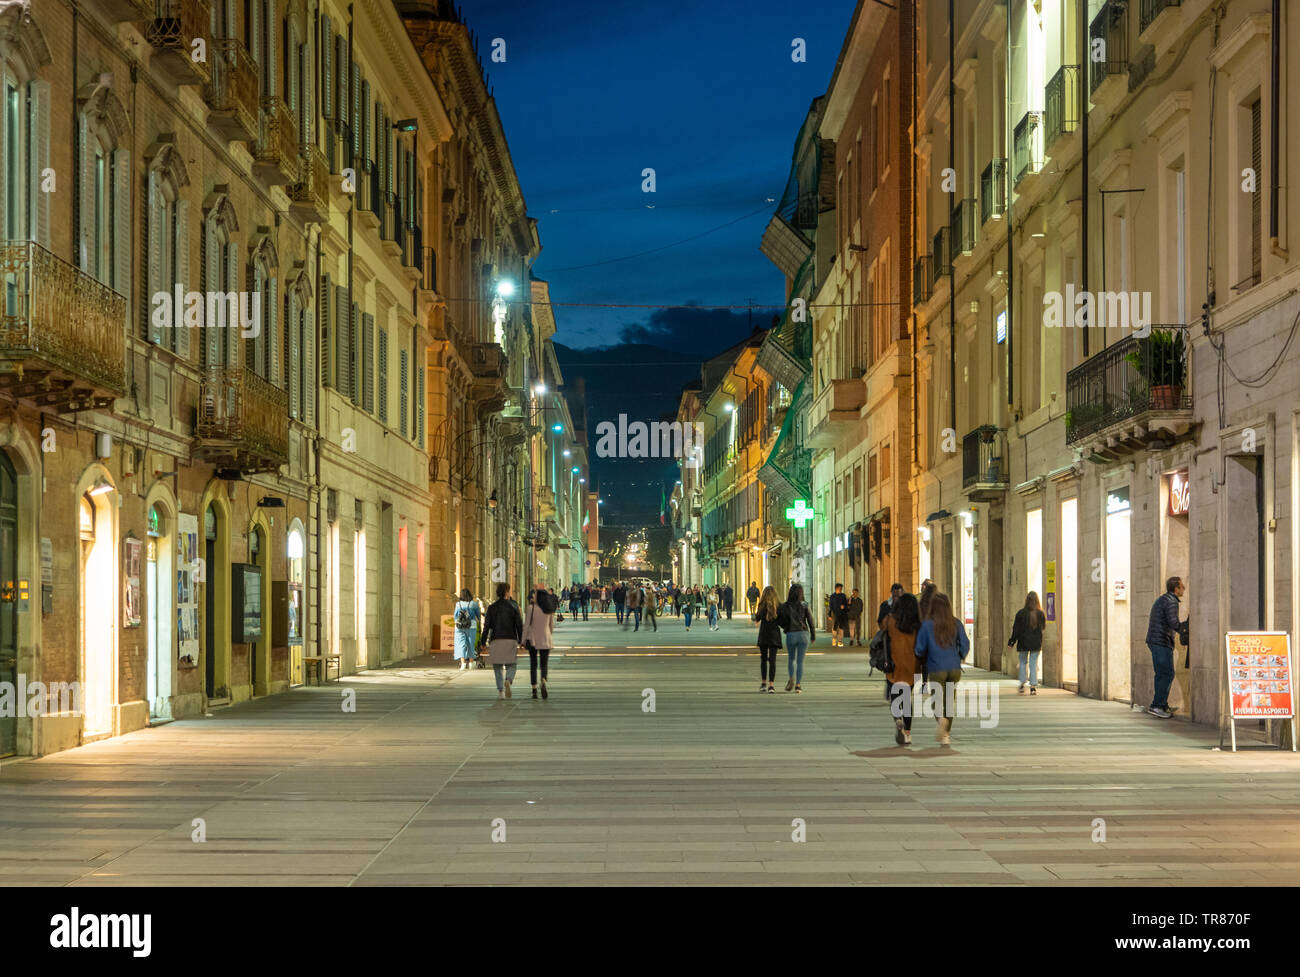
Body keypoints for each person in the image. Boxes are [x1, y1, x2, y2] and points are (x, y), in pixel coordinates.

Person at [914, 592, 970, 745]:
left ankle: (941, 722)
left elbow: (919, 649)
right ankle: (946, 735)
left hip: (936, 667)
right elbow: (965, 644)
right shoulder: (956, 623)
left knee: (936, 702)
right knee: (949, 702)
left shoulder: (927, 625)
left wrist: (924, 655)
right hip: (954, 668)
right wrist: (960, 655)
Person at [1145, 577, 1186, 718]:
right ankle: (1157, 705)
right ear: (1176, 588)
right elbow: (1173, 622)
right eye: (1182, 586)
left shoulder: (1163, 599)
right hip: (1161, 641)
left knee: (1162, 673)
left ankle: (1161, 704)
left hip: (1156, 640)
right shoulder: (1171, 602)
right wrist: (1185, 628)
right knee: (1166, 673)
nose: (1184, 589)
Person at [885, 593, 922, 744]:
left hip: (894, 666)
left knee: (895, 698)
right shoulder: (917, 624)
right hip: (911, 666)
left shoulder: (891, 620)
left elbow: (883, 633)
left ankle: (898, 719)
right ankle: (907, 733)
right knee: (906, 699)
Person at [480, 582, 524, 699]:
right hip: (510, 638)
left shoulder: (491, 607)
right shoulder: (513, 606)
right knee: (511, 664)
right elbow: (519, 625)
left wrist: (483, 642)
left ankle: (500, 692)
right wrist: (522, 640)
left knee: (497, 667)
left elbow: (486, 626)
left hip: (496, 639)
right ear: (506, 592)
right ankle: (508, 680)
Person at [778, 583, 816, 691]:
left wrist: (785, 628)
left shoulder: (785, 605)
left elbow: (781, 620)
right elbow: (810, 621)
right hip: (803, 634)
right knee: (800, 661)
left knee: (791, 659)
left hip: (791, 634)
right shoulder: (805, 605)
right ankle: (798, 685)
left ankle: (791, 679)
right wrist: (813, 635)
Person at [1008, 591, 1047, 695]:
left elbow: (1015, 629)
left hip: (1023, 642)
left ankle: (1022, 683)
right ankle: (1033, 686)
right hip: (1035, 643)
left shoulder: (1021, 613)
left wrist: (1012, 641)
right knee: (1033, 664)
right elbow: (1043, 628)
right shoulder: (1041, 614)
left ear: (1026, 600)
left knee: (1022, 662)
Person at [523, 584, 556, 699]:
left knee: (533, 664)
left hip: (533, 640)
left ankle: (534, 689)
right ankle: (543, 678)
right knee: (544, 664)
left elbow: (526, 625)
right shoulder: (549, 609)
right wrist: (548, 634)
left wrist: (523, 640)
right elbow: (551, 626)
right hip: (545, 639)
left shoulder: (531, 608)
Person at [754, 585, 782, 693]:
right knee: (773, 660)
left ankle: (763, 683)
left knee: (763, 659)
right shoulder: (778, 606)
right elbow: (782, 620)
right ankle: (772, 685)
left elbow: (757, 618)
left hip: (764, 634)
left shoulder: (762, 606)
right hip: (774, 635)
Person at [452, 588, 480, 670]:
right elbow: (478, 615)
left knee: (461, 644)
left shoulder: (458, 604)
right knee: (470, 643)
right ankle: (471, 663)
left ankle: (463, 663)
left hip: (459, 627)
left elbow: (455, 616)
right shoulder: (473, 604)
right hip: (471, 626)